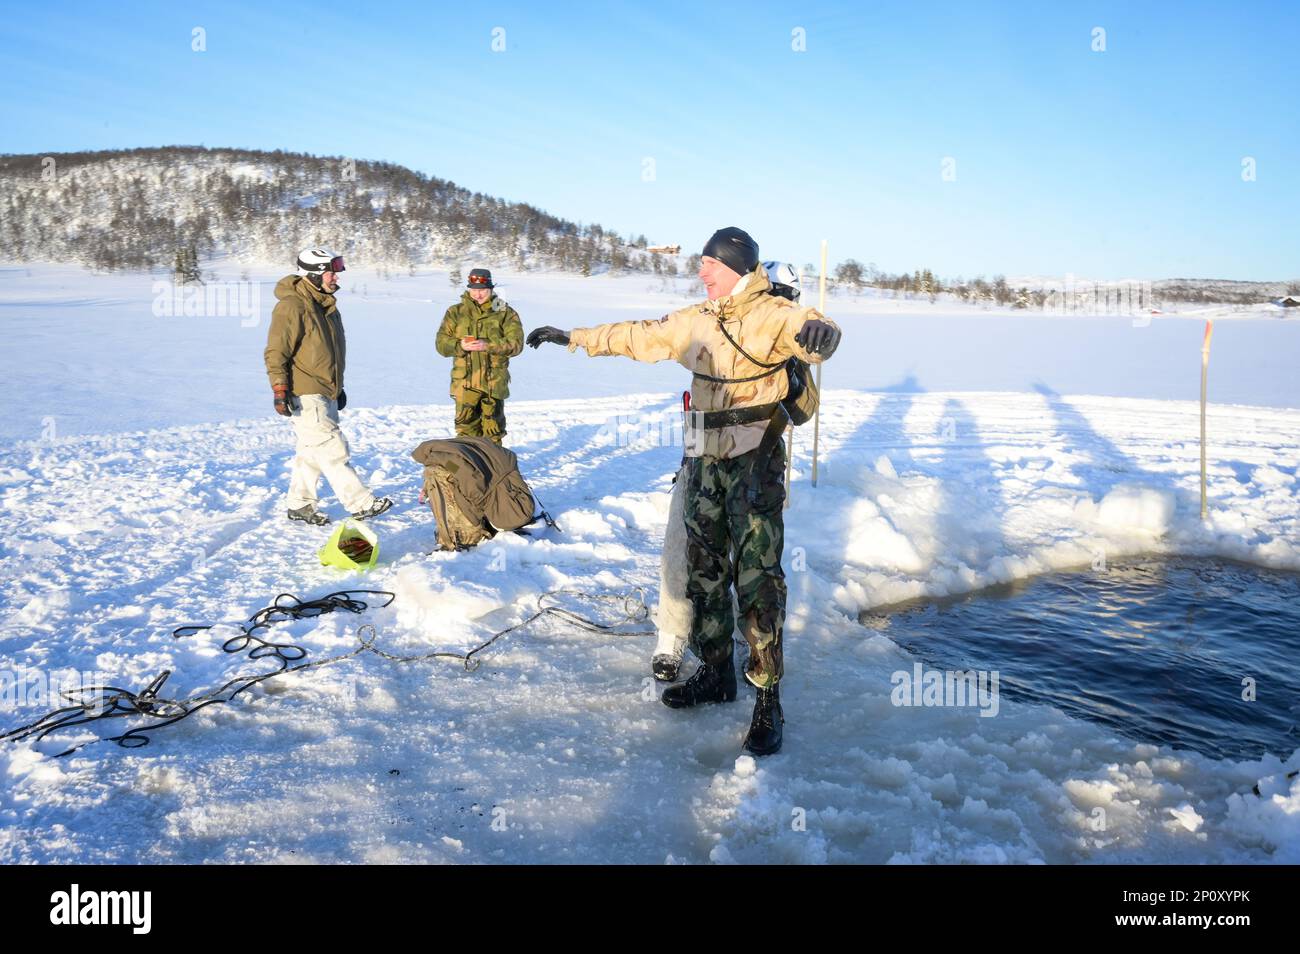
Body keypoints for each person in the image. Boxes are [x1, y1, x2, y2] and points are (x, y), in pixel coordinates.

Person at [527, 229, 840, 755]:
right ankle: (716, 672)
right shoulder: (696, 319)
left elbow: (810, 326)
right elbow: (636, 335)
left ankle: (768, 701)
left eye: (710, 265)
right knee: (704, 571)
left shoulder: (770, 314)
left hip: (754, 460)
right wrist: (574, 337)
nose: (701, 272)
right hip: (702, 464)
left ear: (737, 267)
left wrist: (821, 332)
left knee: (758, 577)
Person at [651, 261, 804, 683]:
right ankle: (680, 641)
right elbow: (702, 403)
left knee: (756, 575)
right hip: (703, 464)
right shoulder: (720, 324)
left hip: (753, 471)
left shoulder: (784, 337)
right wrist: (693, 458)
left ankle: (765, 693)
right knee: (691, 557)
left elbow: (804, 408)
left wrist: (783, 383)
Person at [263, 247, 392, 525]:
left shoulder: (326, 305)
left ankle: (300, 504)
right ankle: (361, 503)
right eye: (332, 271)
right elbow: (276, 351)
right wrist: (279, 389)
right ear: (314, 274)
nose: (337, 276)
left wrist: (338, 387)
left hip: (326, 391)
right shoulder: (293, 305)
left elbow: (328, 352)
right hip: (305, 392)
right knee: (332, 448)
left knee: (311, 453)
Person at [435, 268, 524, 444]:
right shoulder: (455, 312)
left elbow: (516, 345)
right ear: (468, 289)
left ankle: (494, 470)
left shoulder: (505, 312)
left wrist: (488, 345)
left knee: (493, 434)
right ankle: (468, 471)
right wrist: (459, 345)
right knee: (465, 435)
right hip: (464, 385)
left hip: (493, 385)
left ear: (490, 289)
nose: (478, 294)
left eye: (482, 290)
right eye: (474, 289)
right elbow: (441, 344)